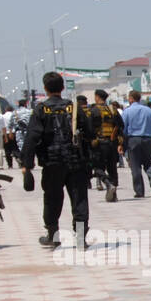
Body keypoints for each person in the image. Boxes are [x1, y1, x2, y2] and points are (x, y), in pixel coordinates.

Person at [20, 71, 93, 249]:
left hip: (52, 163)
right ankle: (81, 238)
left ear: (45, 89)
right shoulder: (74, 108)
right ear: (62, 87)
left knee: (52, 198)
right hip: (76, 161)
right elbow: (90, 133)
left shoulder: (40, 109)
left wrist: (26, 164)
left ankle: (53, 235)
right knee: (79, 199)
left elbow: (31, 137)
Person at [86, 88, 123, 202]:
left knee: (97, 168)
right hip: (112, 143)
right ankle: (114, 194)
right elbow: (121, 125)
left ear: (97, 97)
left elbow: (89, 128)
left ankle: (107, 184)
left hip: (99, 144)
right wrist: (120, 142)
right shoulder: (113, 110)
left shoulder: (92, 110)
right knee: (112, 168)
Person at [120, 90, 151, 197]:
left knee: (135, 166)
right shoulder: (148, 111)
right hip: (147, 139)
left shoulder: (127, 111)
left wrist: (121, 144)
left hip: (133, 140)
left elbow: (123, 130)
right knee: (147, 162)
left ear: (131, 98)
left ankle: (139, 191)